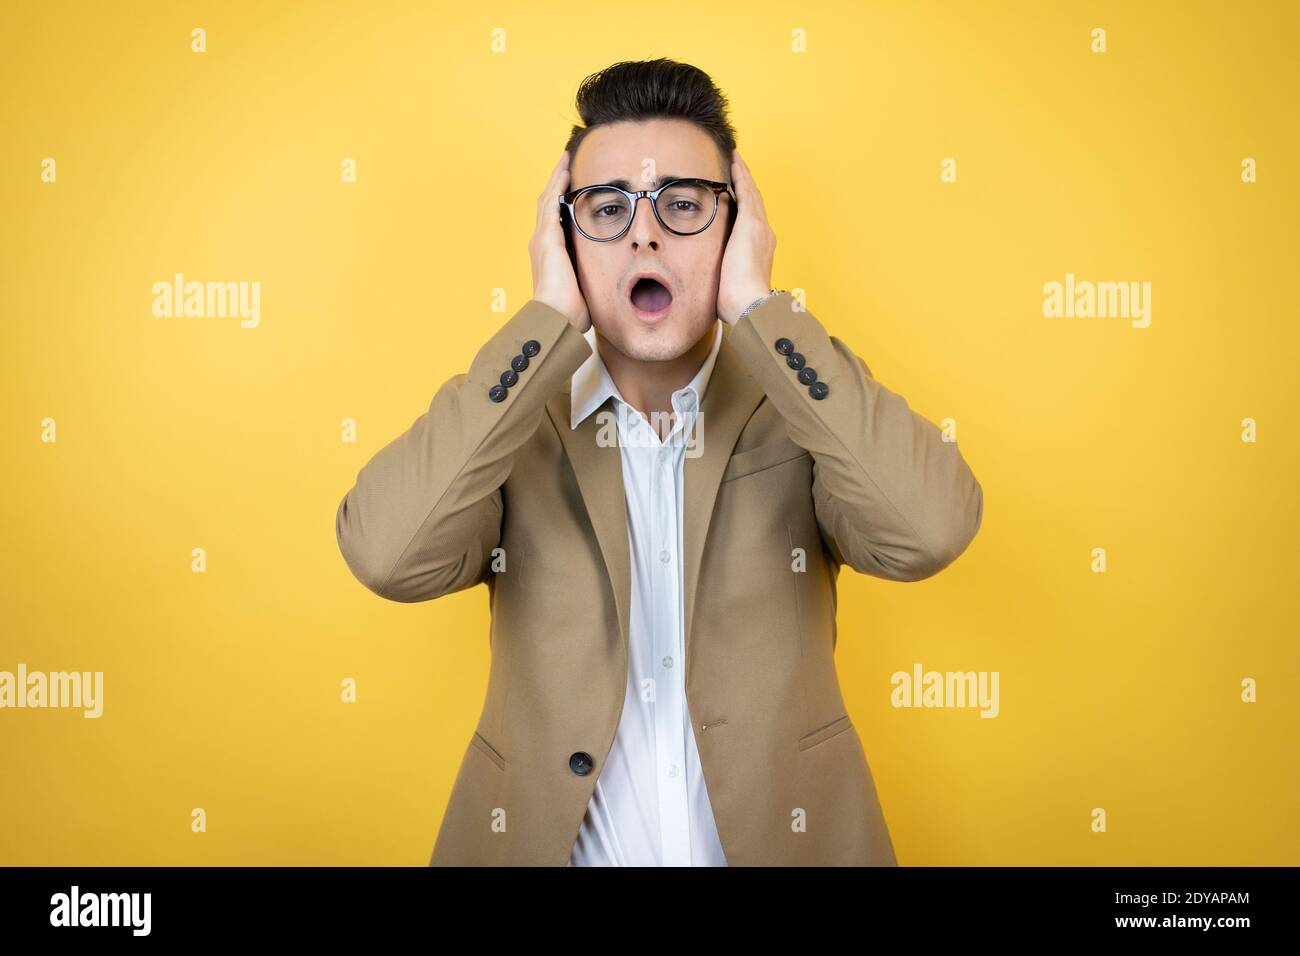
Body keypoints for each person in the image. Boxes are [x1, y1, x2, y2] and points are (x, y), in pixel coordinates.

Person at [334, 58, 983, 866]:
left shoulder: (801, 409)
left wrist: (757, 305)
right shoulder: (509, 425)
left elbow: (931, 529)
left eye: (682, 205)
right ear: (563, 240)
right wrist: (545, 318)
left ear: (738, 228)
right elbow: (386, 553)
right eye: (606, 209)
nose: (643, 233)